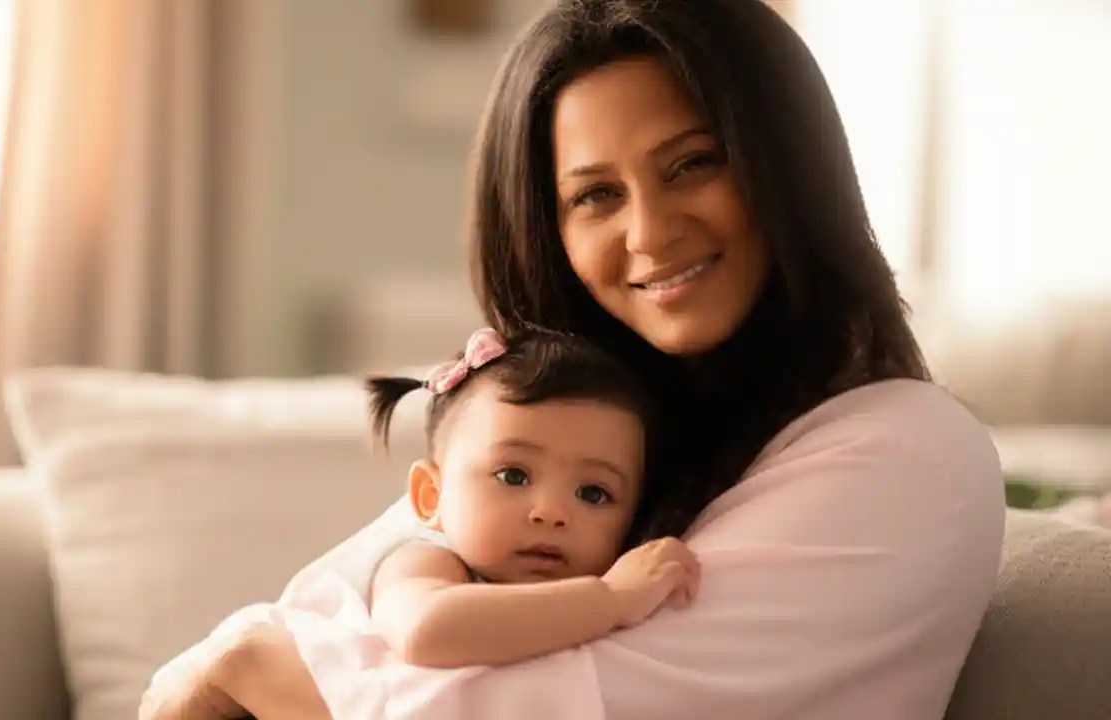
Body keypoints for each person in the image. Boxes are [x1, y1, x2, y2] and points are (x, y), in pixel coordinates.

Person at [141, 1, 1005, 718]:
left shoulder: (904, 449)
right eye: (596, 194)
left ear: (787, 163)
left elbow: (271, 664)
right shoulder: (570, 426)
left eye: (693, 164)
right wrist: (246, 664)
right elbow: (263, 640)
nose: (649, 233)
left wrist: (259, 672)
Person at [363, 326, 700, 669]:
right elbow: (425, 631)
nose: (551, 512)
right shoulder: (427, 562)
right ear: (431, 496)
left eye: (593, 494)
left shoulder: (612, 582)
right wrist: (614, 599)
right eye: (513, 476)